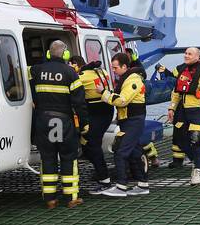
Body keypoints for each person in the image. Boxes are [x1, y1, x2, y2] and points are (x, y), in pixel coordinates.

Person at [28, 40, 88, 208]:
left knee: (47, 159)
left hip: (43, 121)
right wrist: (84, 124)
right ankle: (71, 198)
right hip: (63, 122)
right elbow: (79, 103)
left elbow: (21, 74)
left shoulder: (37, 70)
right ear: (66, 55)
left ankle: (50, 199)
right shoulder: (70, 73)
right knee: (68, 158)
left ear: (48, 54)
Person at [167, 47, 200, 185]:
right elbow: (176, 92)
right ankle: (198, 160)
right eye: (185, 53)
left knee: (196, 140)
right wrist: (172, 108)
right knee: (179, 138)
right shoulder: (182, 71)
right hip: (182, 110)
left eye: (189, 54)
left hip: (198, 111)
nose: (186, 55)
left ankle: (197, 170)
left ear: (198, 57)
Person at [98, 52, 150, 197]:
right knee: (134, 152)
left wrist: (104, 94)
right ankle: (143, 183)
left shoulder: (133, 80)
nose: (113, 70)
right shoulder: (125, 79)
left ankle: (121, 186)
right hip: (127, 121)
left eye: (115, 68)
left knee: (120, 151)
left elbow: (122, 100)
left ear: (124, 66)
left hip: (133, 120)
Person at [70, 55, 114, 192]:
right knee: (88, 143)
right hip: (107, 110)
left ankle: (104, 179)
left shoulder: (81, 76)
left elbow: (70, 91)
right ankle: (100, 171)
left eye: (70, 66)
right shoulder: (101, 71)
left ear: (76, 64)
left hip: (96, 112)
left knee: (92, 145)